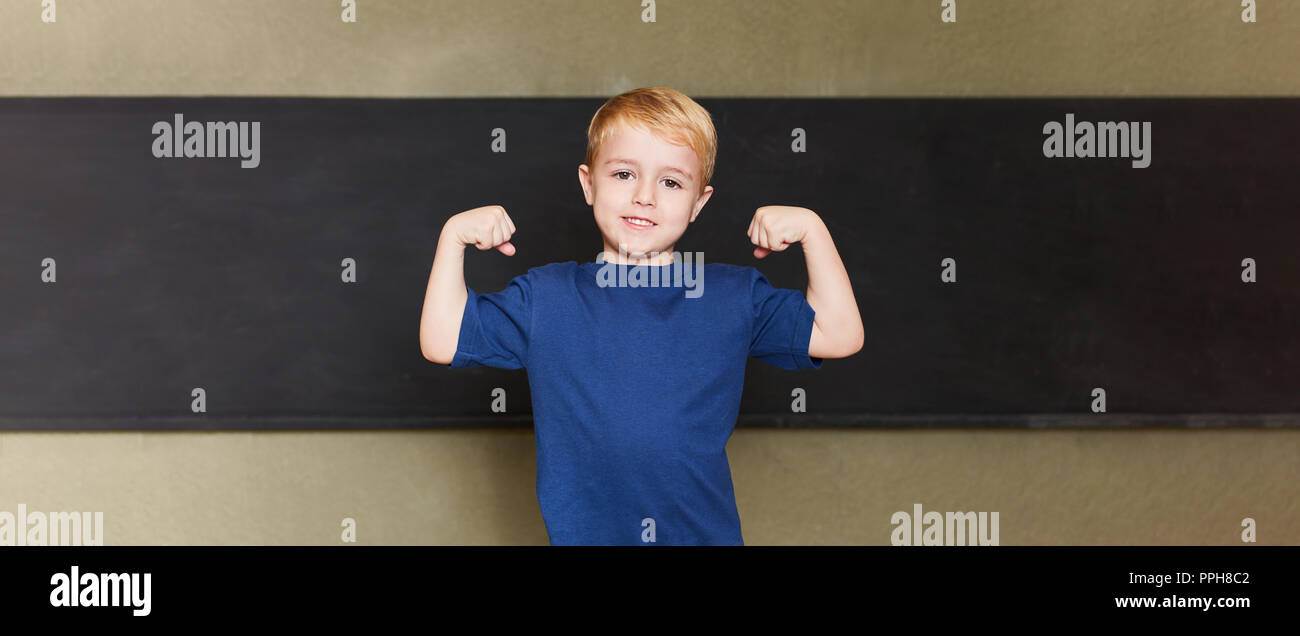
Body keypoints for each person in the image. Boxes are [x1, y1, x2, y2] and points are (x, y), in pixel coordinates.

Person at [419, 86, 864, 545]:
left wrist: (814, 230)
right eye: (625, 174)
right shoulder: (546, 297)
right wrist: (452, 239)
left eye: (671, 182)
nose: (644, 197)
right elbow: (442, 339)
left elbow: (839, 334)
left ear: (699, 202)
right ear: (589, 183)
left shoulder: (733, 295)